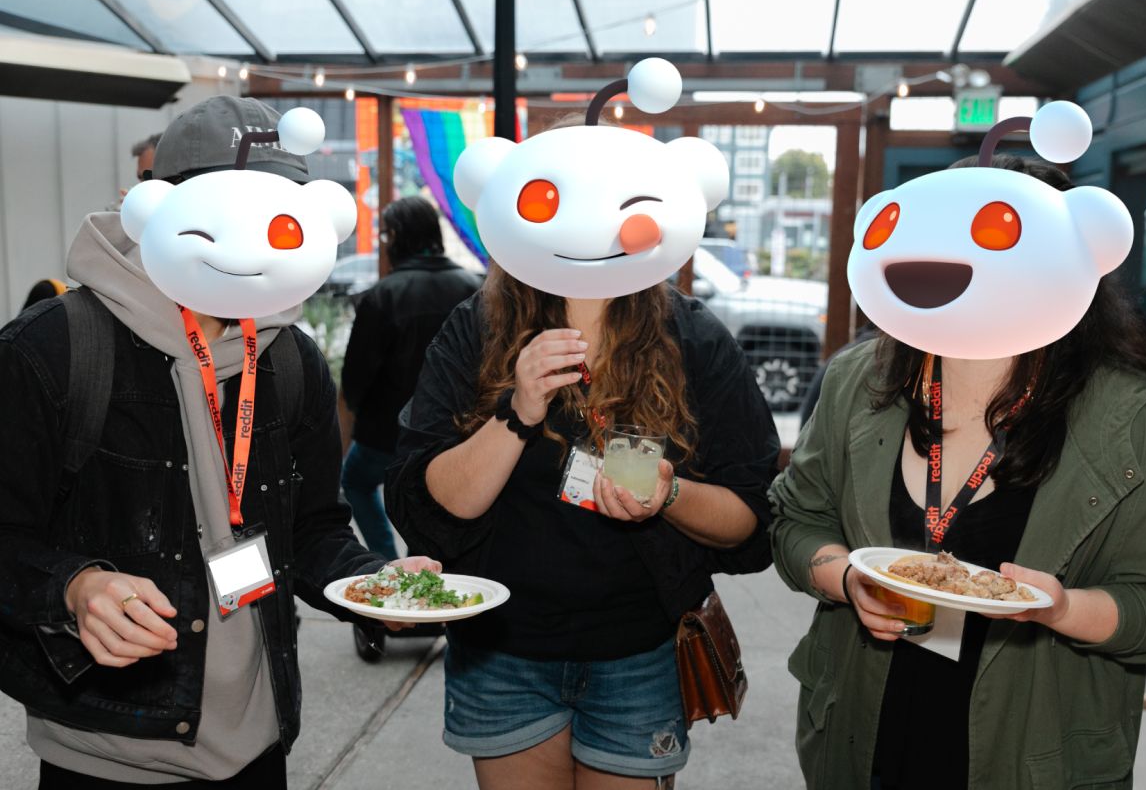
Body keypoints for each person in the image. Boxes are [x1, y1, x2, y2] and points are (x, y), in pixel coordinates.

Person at [0, 95, 433, 789]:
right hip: (107, 749)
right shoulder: (53, 349)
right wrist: (76, 587)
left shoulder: (290, 360)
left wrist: (373, 584)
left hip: (257, 747)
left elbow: (314, 528)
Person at [770, 154, 1146, 789]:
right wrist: (849, 579)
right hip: (861, 733)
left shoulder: (1143, 425)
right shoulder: (858, 381)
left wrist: (1062, 609)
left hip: (1032, 753)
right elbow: (795, 519)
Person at [386, 261, 780, 789]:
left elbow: (749, 519)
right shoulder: (479, 325)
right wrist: (517, 412)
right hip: (503, 654)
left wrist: (668, 495)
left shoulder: (692, 335)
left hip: (639, 657)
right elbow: (436, 503)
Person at [340, 196, 482, 561]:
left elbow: (356, 377)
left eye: (385, 234)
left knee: (354, 481)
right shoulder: (472, 288)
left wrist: (360, 413)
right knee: (436, 502)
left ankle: (388, 561)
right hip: (457, 433)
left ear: (396, 236)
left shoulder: (384, 295)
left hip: (385, 434)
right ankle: (427, 561)